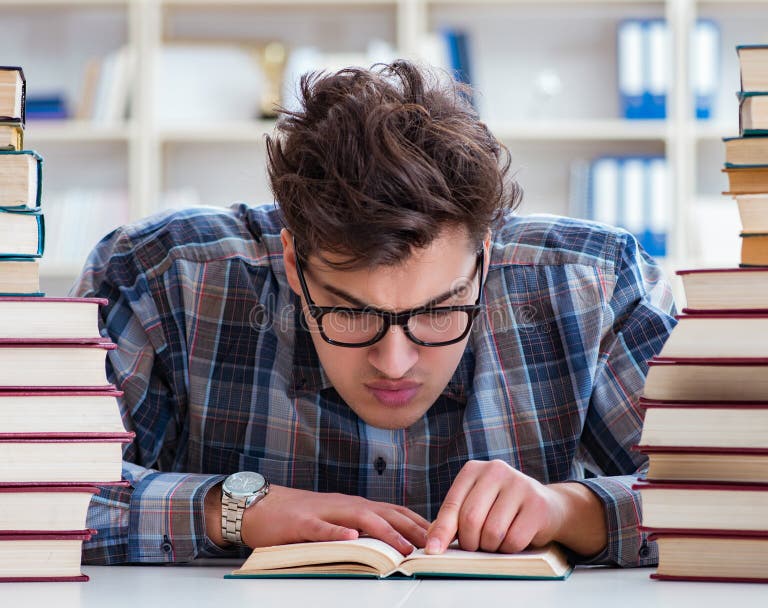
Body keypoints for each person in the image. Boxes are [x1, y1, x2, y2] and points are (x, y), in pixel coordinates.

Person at [73, 60, 676, 568]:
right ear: (291, 259)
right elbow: (30, 498)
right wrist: (229, 509)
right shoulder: (157, 275)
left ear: (485, 258)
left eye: (439, 311)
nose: (394, 362)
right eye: (349, 312)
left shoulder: (595, 280)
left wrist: (570, 509)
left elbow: (733, 493)